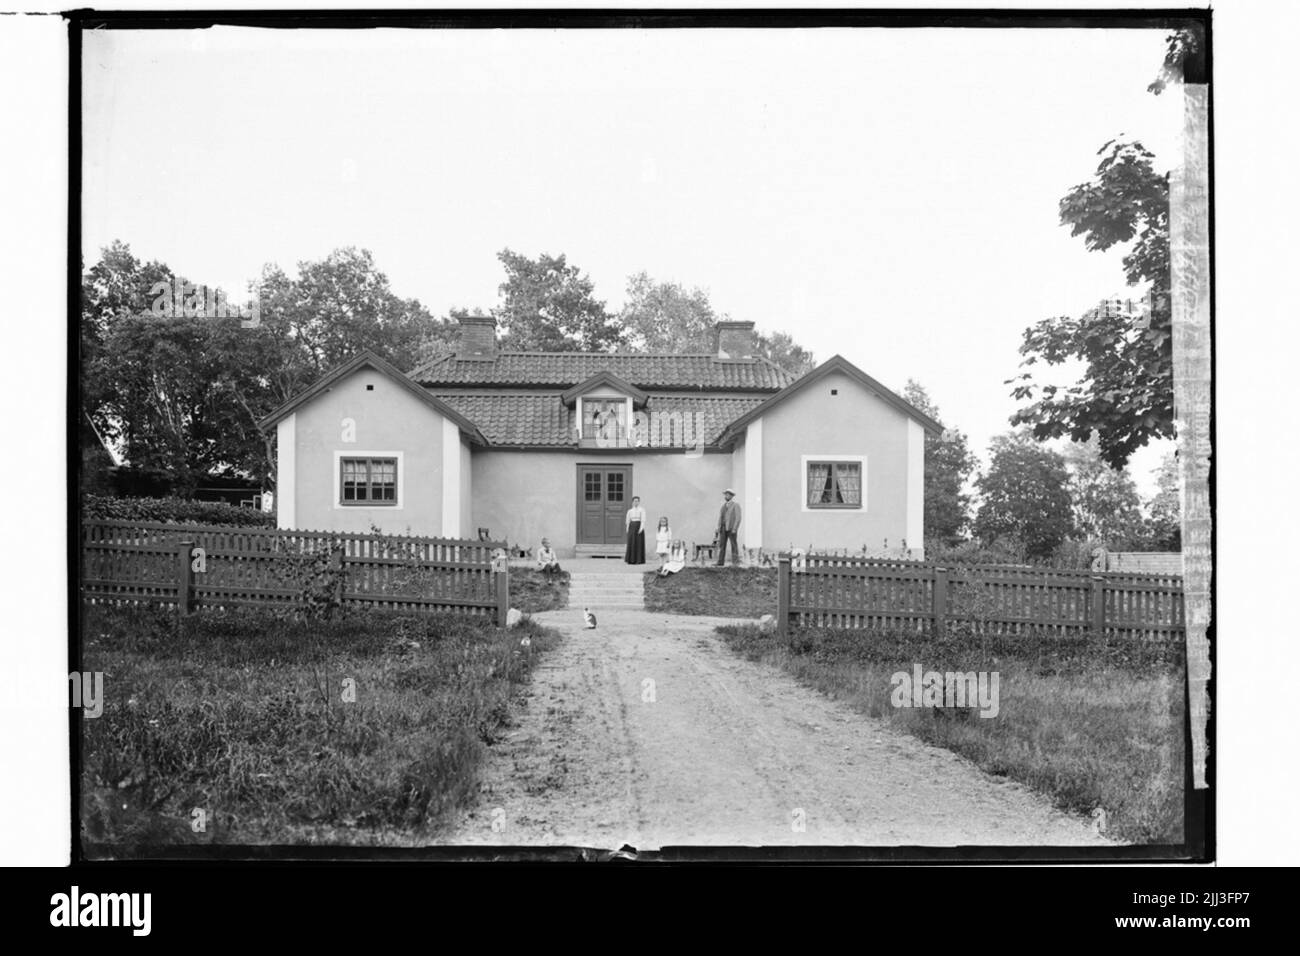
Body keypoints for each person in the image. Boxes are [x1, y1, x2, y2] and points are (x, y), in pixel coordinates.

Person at [716, 488, 742, 566]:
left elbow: (738, 518)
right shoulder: (723, 506)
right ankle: (720, 562)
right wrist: (718, 527)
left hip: (731, 529)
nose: (726, 496)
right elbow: (720, 517)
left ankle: (735, 562)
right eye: (725, 494)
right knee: (722, 545)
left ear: (731, 496)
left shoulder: (735, 505)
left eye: (727, 494)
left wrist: (735, 528)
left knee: (733, 545)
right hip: (723, 528)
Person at [624, 496, 646, 564]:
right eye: (634, 501)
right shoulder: (630, 511)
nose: (636, 502)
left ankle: (639, 560)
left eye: (637, 501)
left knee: (638, 543)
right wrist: (627, 529)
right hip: (632, 526)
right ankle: (631, 560)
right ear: (632, 502)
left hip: (638, 526)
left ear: (639, 502)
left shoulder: (642, 510)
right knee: (632, 542)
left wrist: (641, 528)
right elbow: (627, 521)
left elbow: (643, 520)